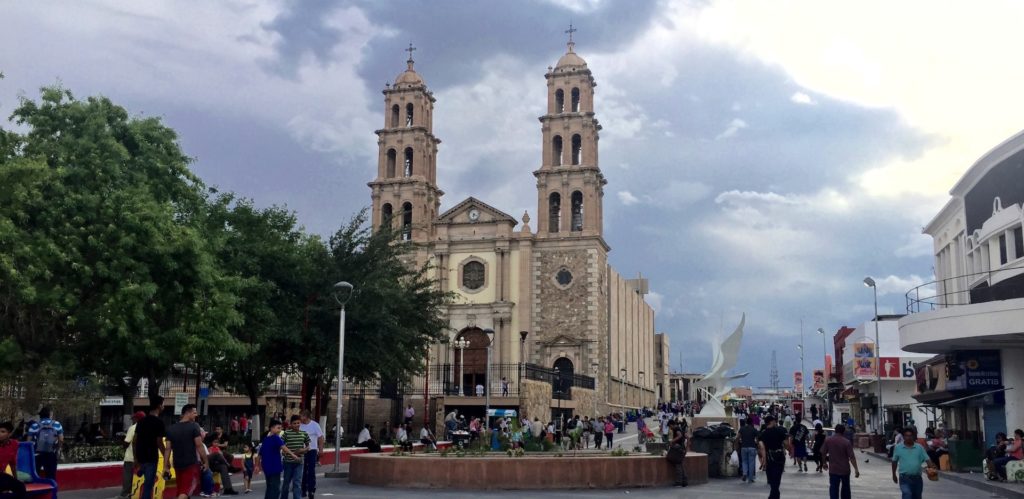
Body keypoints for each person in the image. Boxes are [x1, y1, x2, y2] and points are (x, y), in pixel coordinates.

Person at [164, 404, 208, 499]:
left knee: (181, 490)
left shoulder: (171, 429)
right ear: (188, 413)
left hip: (177, 464)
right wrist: (206, 461)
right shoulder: (194, 426)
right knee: (185, 491)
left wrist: (166, 465)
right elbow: (199, 445)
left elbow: (167, 449)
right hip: (191, 464)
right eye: (194, 413)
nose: (196, 415)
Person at [134, 397, 167, 499]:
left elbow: (135, 441)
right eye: (163, 404)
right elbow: (159, 443)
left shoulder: (141, 421)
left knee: (143, 482)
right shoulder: (159, 423)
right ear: (159, 406)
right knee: (148, 486)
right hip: (151, 458)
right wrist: (166, 459)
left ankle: (140, 471)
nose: (164, 406)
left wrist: (136, 459)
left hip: (140, 458)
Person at [256, 420, 298, 499]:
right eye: (278, 428)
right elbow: (284, 447)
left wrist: (257, 466)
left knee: (269, 487)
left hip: (266, 467)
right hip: (274, 467)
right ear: (271, 428)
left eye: (280, 428)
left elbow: (259, 454)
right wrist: (293, 454)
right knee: (275, 489)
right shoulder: (276, 438)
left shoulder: (265, 439)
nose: (280, 430)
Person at [891, 427, 936, 499]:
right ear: (903, 437)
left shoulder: (919, 448)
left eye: (910, 435)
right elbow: (894, 461)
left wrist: (931, 468)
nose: (908, 437)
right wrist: (894, 475)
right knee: (907, 494)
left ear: (913, 436)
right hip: (904, 478)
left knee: (917, 497)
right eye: (906, 435)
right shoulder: (898, 448)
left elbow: (927, 459)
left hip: (917, 479)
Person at [821, 424, 859, 499]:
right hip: (845, 470)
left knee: (833, 488)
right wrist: (856, 469)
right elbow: (852, 457)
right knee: (846, 488)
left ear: (835, 430)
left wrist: (824, 463)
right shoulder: (846, 442)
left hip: (833, 469)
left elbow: (823, 452)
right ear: (843, 432)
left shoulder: (828, 440)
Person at [758, 415, 791, 499]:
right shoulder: (779, 431)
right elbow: (787, 445)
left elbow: (761, 448)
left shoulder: (763, 433)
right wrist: (789, 450)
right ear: (772, 422)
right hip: (779, 458)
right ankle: (773, 497)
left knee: (772, 480)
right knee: (777, 480)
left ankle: (773, 496)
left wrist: (763, 461)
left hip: (769, 458)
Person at [27, 407, 63, 480]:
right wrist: (58, 448)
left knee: (35, 474)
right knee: (51, 475)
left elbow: (28, 441)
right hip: (51, 453)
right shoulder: (57, 424)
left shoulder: (34, 425)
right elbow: (61, 439)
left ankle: (36, 489)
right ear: (50, 414)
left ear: (40, 415)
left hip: (37, 453)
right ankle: (51, 490)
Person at [281, 415, 310, 499]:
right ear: (291, 424)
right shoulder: (286, 433)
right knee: (286, 483)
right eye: (294, 423)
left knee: (297, 483)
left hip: (299, 462)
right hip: (288, 462)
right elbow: (281, 445)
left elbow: (308, 447)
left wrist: (303, 450)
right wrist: (284, 452)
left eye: (298, 423)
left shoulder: (304, 433)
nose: (297, 425)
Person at [118, 411, 145, 499]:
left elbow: (127, 443)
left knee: (128, 478)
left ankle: (124, 495)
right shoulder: (147, 428)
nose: (133, 420)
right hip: (143, 458)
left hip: (130, 458)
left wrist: (122, 441)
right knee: (139, 478)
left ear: (137, 419)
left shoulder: (133, 428)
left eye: (134, 418)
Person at [298, 410, 324, 499]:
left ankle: (311, 490)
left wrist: (321, 450)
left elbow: (320, 438)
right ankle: (303, 490)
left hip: (312, 450)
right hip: (302, 451)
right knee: (303, 470)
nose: (300, 418)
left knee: (311, 470)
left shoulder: (315, 425)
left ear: (306, 416)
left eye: (301, 416)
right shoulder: (299, 425)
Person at [0, 421, 26, 497]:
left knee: (20, 486)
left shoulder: (14, 444)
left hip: (1, 475)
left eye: (2, 432)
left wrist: (16, 479)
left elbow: (13, 464)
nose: (0, 434)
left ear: (9, 433)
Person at [737, 416, 759, 483]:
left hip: (743, 447)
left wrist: (737, 444)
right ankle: (750, 478)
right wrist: (757, 445)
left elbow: (738, 437)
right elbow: (758, 439)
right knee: (751, 463)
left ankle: (744, 473)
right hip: (752, 447)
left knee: (744, 461)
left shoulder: (742, 429)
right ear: (752, 422)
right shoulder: (754, 429)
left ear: (746, 422)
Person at [668, 419, 688, 487]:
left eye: (669, 426)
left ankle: (679, 482)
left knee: (678, 465)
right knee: (681, 465)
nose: (670, 428)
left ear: (671, 425)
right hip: (682, 449)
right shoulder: (680, 428)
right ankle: (684, 481)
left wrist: (672, 441)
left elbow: (680, 436)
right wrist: (686, 449)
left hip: (678, 449)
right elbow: (687, 437)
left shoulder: (676, 428)